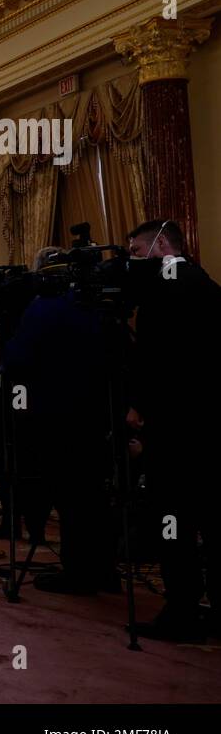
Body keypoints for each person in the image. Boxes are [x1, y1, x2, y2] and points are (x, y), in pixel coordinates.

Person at [125, 220, 221, 641]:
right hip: (210, 426)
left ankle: (180, 609)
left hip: (174, 429)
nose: (132, 262)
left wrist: (138, 407)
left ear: (161, 245)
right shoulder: (205, 283)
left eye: (135, 252)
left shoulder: (163, 291)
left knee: (174, 522)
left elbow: (154, 359)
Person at [3, 279, 118, 595]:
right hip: (96, 414)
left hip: (55, 416)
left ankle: (79, 571)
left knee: (69, 496)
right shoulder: (98, 305)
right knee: (95, 495)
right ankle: (104, 570)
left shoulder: (44, 308)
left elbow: (17, 361)